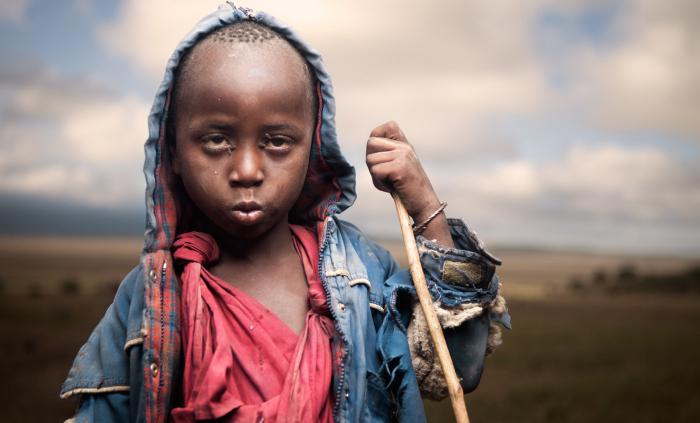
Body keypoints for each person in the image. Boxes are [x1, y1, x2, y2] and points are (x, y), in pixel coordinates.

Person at [60, 3, 510, 422]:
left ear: (313, 151)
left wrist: (425, 208)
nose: (247, 170)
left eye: (276, 142)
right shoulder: (154, 293)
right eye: (216, 140)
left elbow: (456, 370)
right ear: (173, 151)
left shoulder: (363, 272)